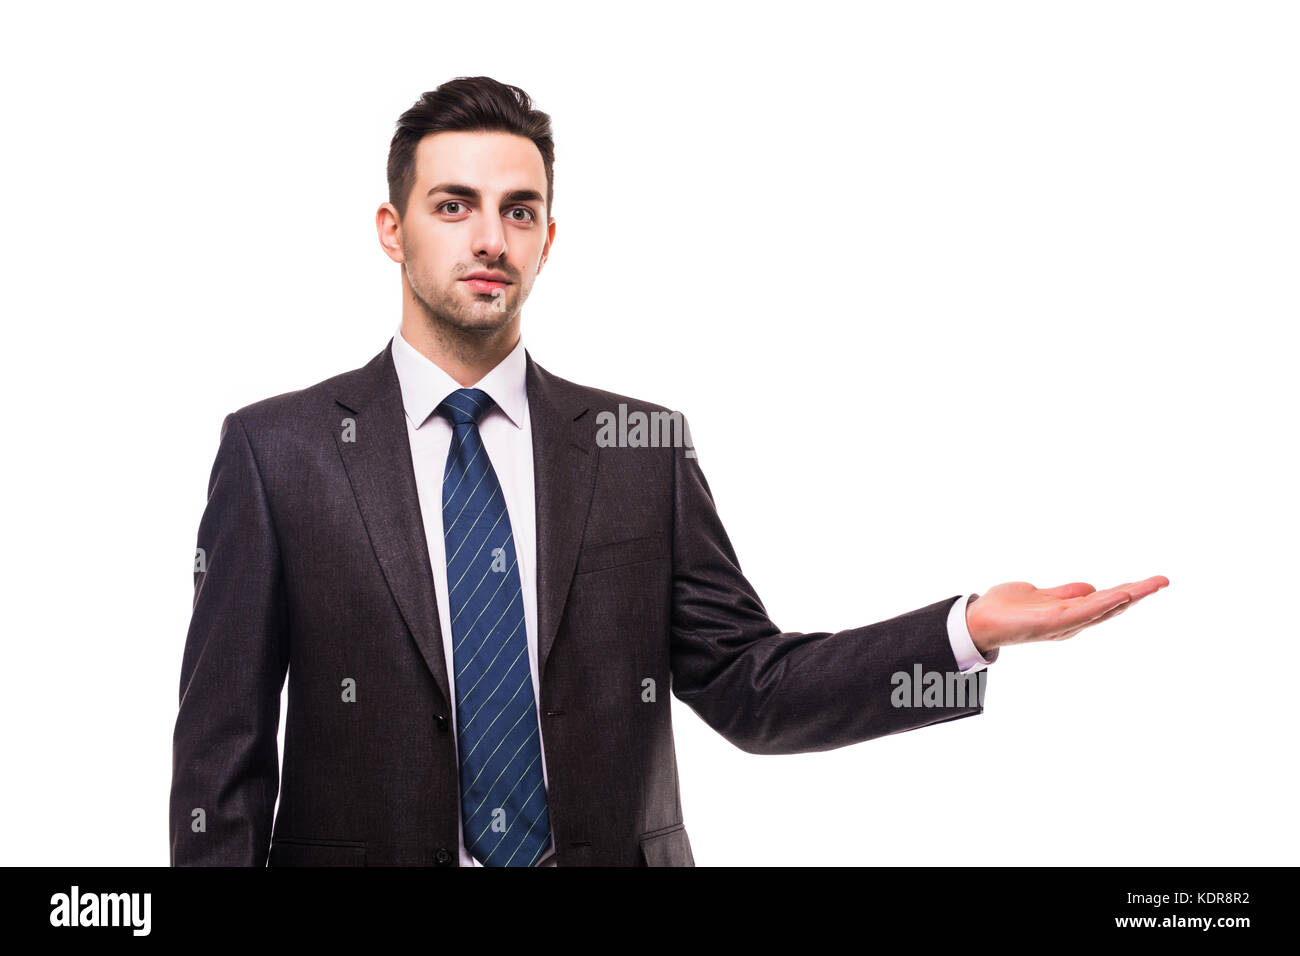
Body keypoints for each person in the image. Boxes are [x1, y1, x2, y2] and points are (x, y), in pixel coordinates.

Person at [169, 75, 1168, 867]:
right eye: (453, 204)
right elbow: (223, 752)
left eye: (520, 211)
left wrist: (966, 633)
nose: (489, 238)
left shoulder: (637, 448)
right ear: (393, 229)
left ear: (548, 239)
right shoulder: (277, 451)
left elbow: (754, 688)